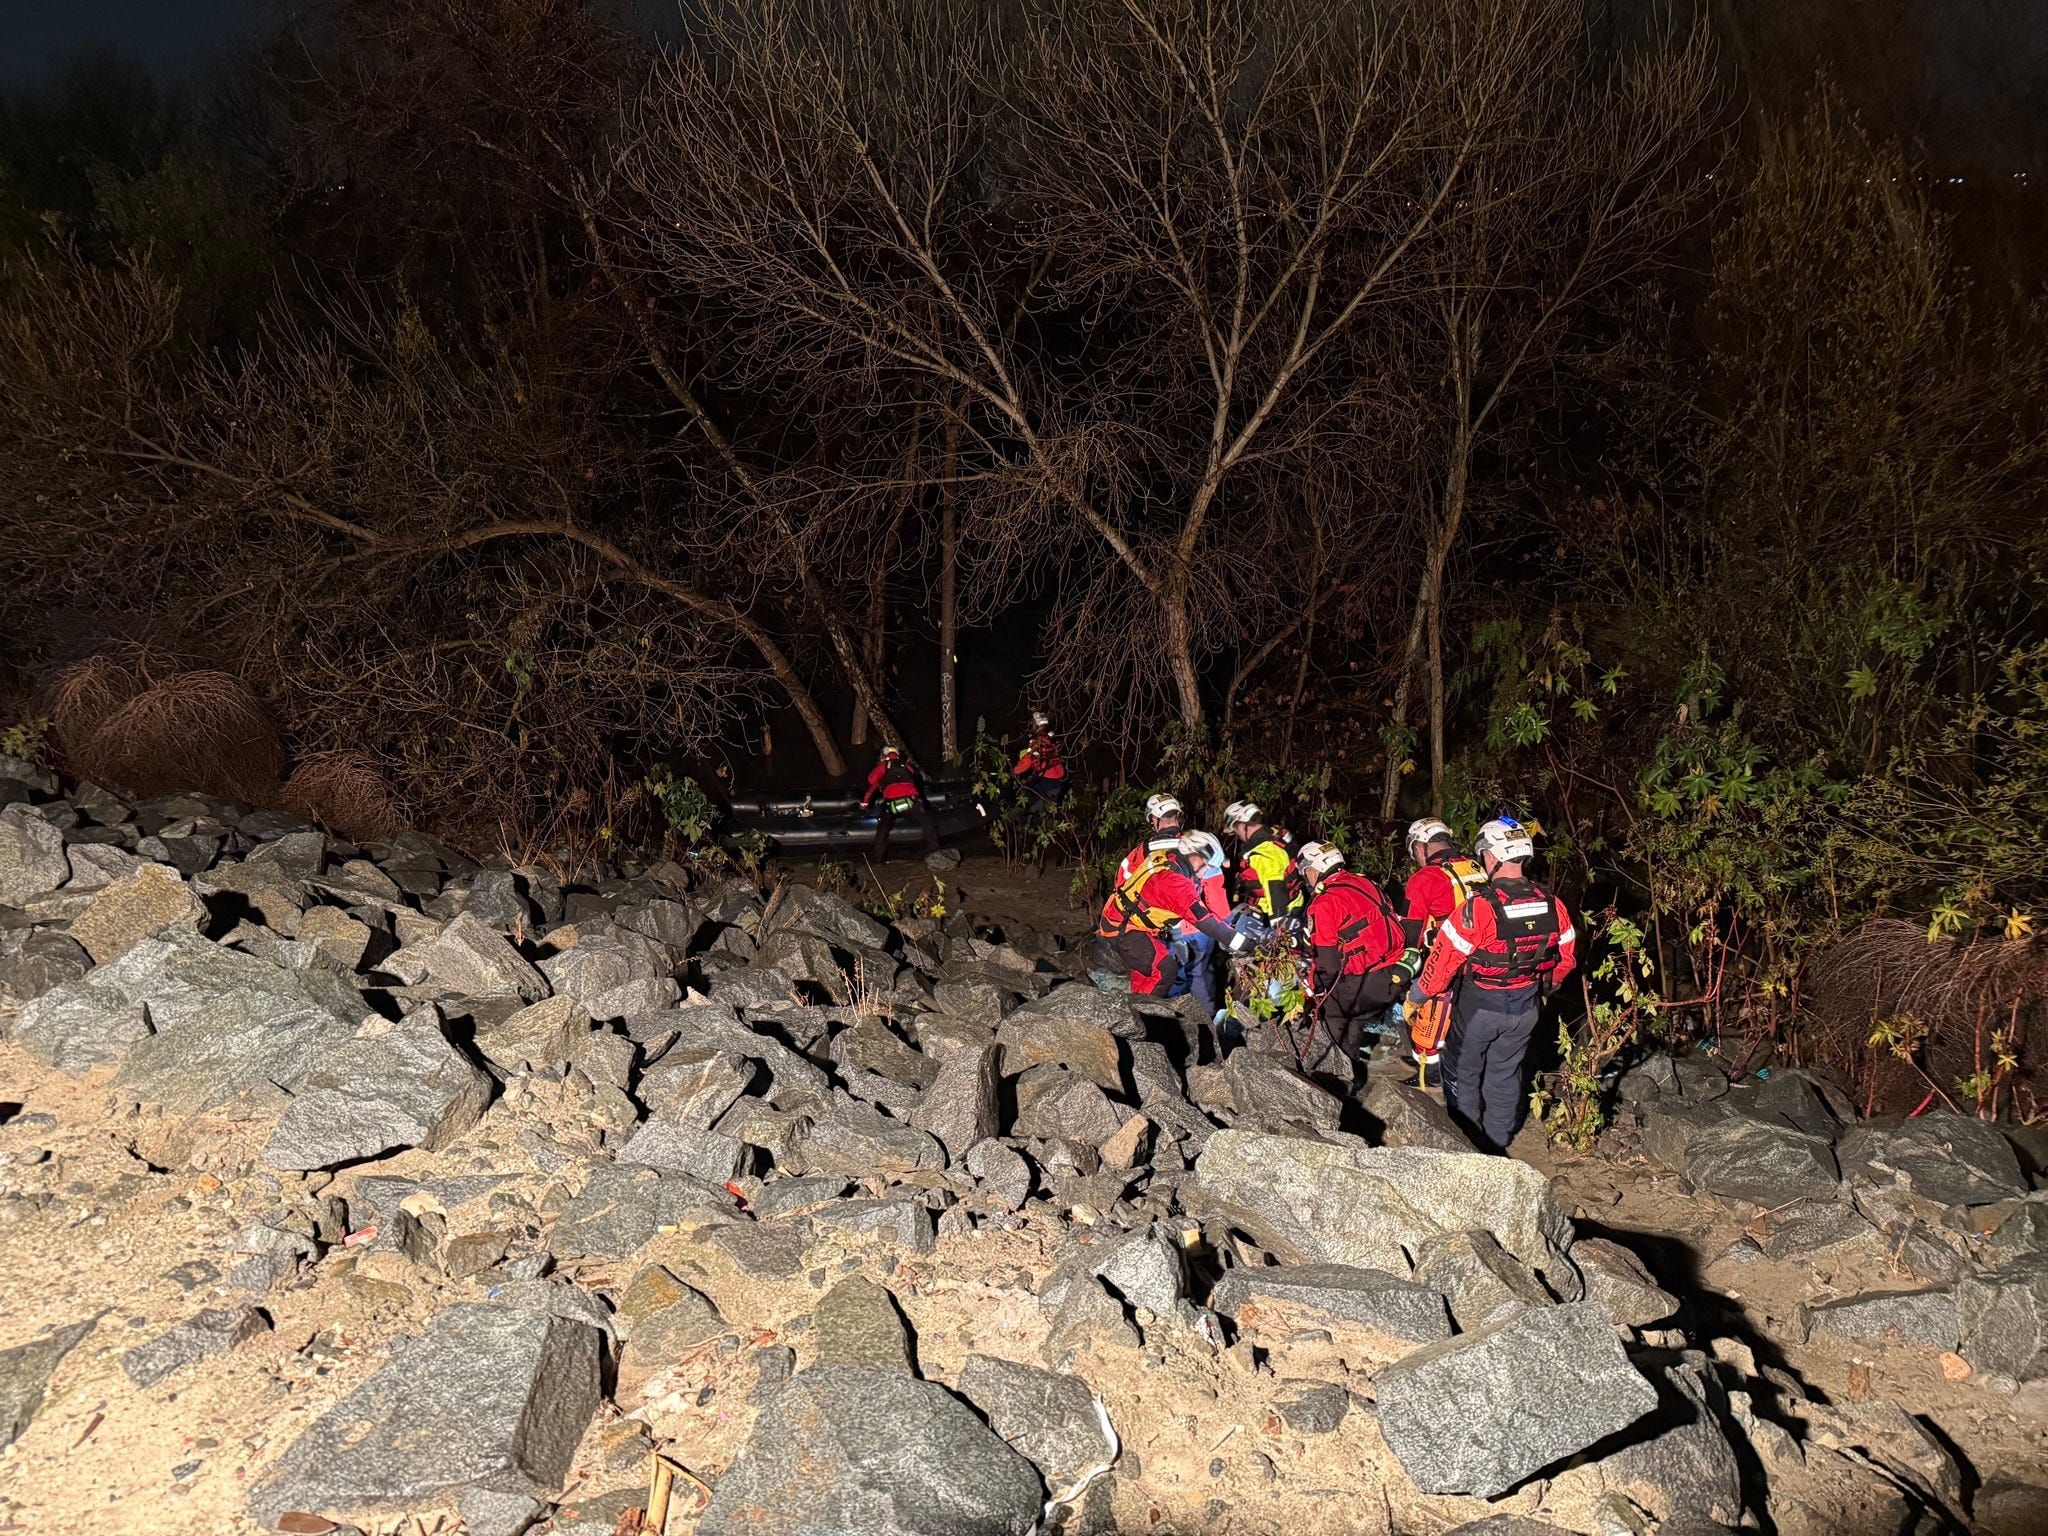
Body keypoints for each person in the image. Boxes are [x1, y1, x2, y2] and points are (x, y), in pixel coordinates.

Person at [1413, 818, 1577, 1153]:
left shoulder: (1478, 908)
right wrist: (1544, 991)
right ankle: (1497, 1145)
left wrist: (1417, 995)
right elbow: (1566, 960)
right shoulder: (1553, 903)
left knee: (1462, 1073)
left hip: (1480, 1006)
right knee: (1505, 1075)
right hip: (1527, 1007)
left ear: (1490, 857)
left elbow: (1441, 964)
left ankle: (1469, 1148)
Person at [1295, 841, 1414, 1084]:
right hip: (1392, 975)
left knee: (1331, 1015)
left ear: (1314, 870)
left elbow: (1327, 964)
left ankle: (1339, 1081)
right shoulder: (1364, 882)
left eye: (1307, 872)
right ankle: (1354, 1063)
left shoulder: (1324, 902)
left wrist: (1312, 992)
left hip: (1365, 984)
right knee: (1353, 1018)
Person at [1095, 829, 1251, 1002]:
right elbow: (1206, 923)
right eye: (1207, 865)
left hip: (1128, 922)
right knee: (1165, 970)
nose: (1207, 871)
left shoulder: (1172, 860)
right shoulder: (1174, 882)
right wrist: (1245, 943)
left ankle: (1134, 1006)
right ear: (1194, 856)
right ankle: (1141, 1013)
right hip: (1124, 928)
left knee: (1147, 971)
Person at [1399, 817, 1490, 1078]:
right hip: (1483, 957)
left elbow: (1412, 930)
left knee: (1428, 1016)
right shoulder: (1475, 865)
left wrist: (1403, 962)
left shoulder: (1425, 877)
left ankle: (1430, 1071)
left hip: (1445, 959)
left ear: (1421, 846)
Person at [1223, 800, 1298, 927]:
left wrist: (1278, 927)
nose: (1238, 835)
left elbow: (1275, 889)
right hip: (1291, 901)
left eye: (1236, 830)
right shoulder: (1274, 833)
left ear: (1243, 825)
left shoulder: (1264, 854)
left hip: (1282, 913)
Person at [860, 745, 938, 864]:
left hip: (891, 803)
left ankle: (877, 859)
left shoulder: (882, 766)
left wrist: (864, 804)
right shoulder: (906, 765)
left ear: (883, 756)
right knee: (927, 823)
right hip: (911, 801)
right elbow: (913, 778)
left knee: (883, 829)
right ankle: (935, 851)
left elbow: (872, 781)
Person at [1114, 793, 1183, 883]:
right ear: (1177, 814)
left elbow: (1122, 881)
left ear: (1153, 818)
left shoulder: (1142, 851)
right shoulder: (1196, 844)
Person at [1011, 712, 1068, 808]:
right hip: (1058, 777)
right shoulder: (1053, 737)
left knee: (1029, 804)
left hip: (1046, 779)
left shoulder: (1037, 742)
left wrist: (1014, 771)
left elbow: (1029, 761)